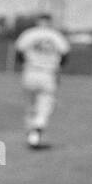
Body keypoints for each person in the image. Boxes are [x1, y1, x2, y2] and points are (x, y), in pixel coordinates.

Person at [14, 12, 71, 149]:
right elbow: (65, 53)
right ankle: (36, 129)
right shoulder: (55, 35)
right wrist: (57, 66)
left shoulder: (29, 34)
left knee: (30, 104)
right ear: (49, 22)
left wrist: (26, 63)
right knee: (45, 104)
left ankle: (31, 130)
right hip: (48, 74)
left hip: (30, 72)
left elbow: (19, 51)